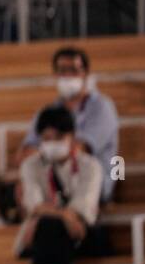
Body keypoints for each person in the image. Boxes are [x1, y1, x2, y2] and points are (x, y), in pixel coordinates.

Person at [17, 46, 119, 203]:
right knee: (24, 185)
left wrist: (46, 152)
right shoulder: (48, 112)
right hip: (52, 182)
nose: (67, 75)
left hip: (89, 183)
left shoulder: (102, 107)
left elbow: (81, 150)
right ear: (55, 74)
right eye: (62, 70)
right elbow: (26, 153)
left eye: (73, 70)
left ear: (85, 73)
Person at [15, 106, 103, 264]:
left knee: (50, 226)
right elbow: (34, 204)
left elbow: (83, 208)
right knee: (52, 226)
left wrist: (49, 213)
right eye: (47, 138)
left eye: (59, 137)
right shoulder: (31, 165)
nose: (53, 143)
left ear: (72, 137)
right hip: (46, 230)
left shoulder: (90, 165)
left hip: (81, 232)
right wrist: (63, 215)